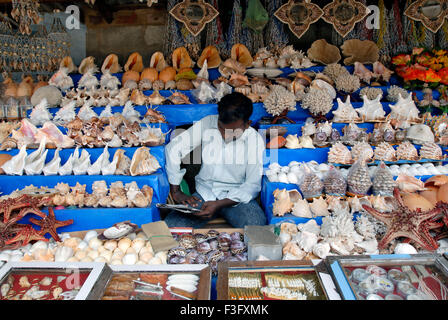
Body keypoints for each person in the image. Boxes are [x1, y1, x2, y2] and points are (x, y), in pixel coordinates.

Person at [165, 92, 267, 228]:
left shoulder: (254, 140)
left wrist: (219, 204)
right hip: (205, 194)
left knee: (257, 226)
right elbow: (173, 149)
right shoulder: (208, 123)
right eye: (221, 128)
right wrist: (176, 191)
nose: (225, 135)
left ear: (247, 124)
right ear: (218, 118)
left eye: (233, 131)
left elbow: (252, 185)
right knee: (171, 226)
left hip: (237, 199)